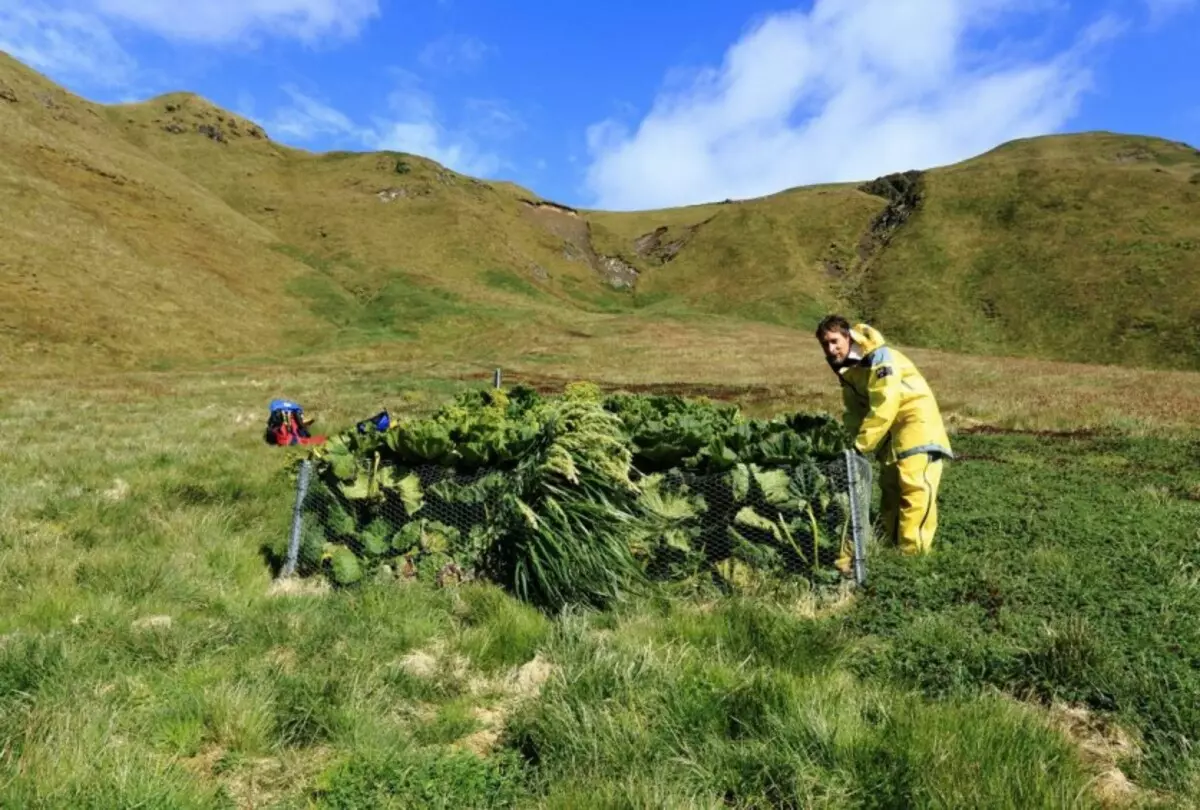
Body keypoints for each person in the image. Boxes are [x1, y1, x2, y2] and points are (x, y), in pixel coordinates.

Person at [815, 315, 953, 561]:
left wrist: (861, 445)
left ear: (848, 336)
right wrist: (849, 443)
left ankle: (913, 557)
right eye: (825, 344)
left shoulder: (879, 358)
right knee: (890, 489)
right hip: (890, 434)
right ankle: (888, 551)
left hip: (916, 425)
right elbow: (855, 411)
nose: (830, 348)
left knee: (914, 487)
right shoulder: (847, 368)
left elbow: (885, 403)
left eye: (834, 341)